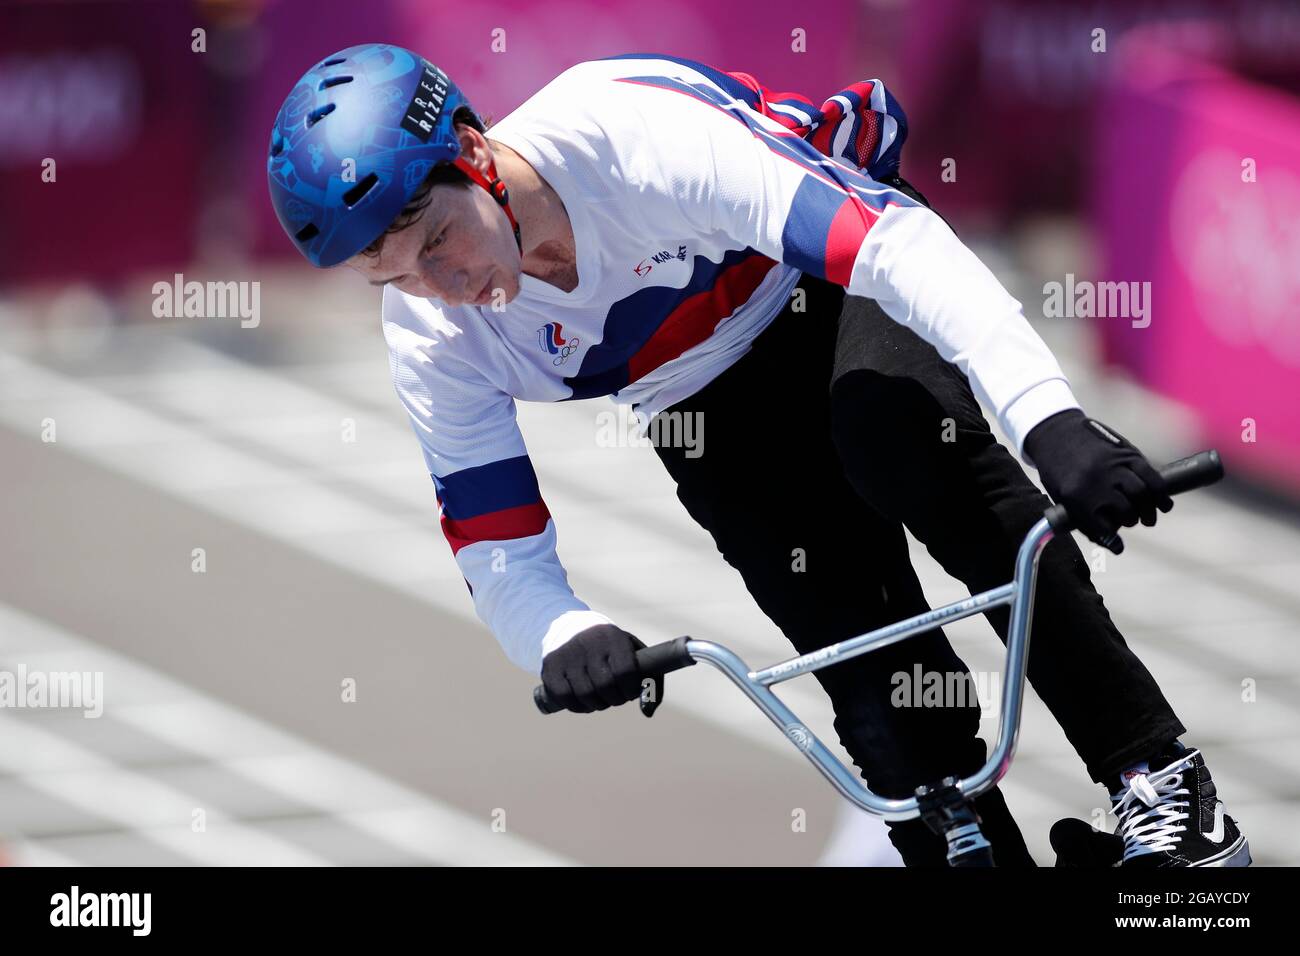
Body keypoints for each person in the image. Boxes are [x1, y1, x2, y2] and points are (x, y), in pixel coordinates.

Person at [267, 44, 1250, 867]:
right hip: (699, 396)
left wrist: (1048, 419)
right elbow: (492, 532)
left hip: (818, 291)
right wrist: (561, 631)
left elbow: (894, 248)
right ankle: (960, 836)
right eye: (395, 275)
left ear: (476, 152)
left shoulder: (632, 140)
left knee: (900, 441)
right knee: (859, 655)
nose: (444, 286)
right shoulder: (431, 329)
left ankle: (1158, 778)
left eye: (438, 239)